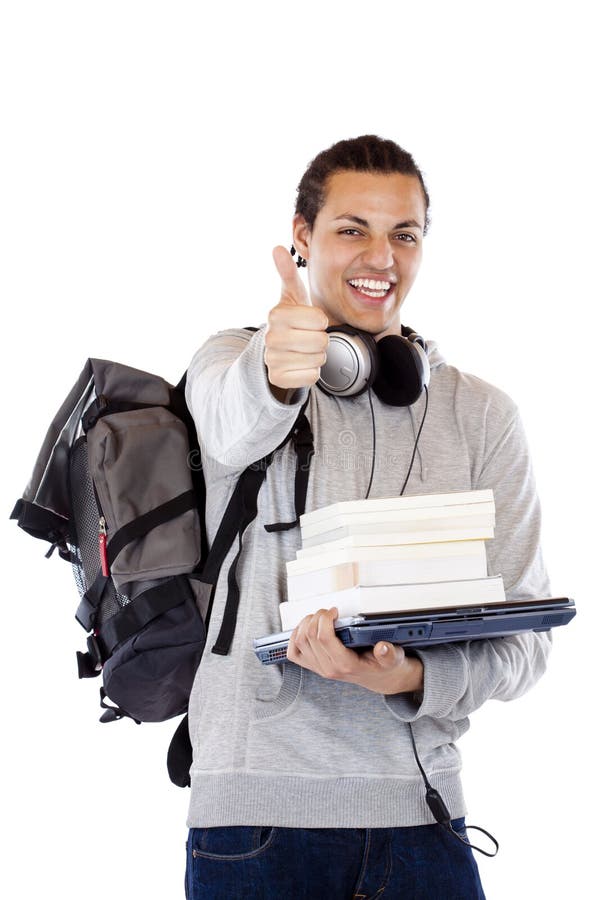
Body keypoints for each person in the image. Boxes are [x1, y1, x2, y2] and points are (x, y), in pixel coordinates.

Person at [183, 135, 551, 899]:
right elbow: (231, 424)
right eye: (352, 230)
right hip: (254, 831)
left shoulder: (481, 414)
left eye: (403, 234)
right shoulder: (232, 364)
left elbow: (524, 644)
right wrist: (276, 375)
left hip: (424, 823)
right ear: (302, 237)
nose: (380, 257)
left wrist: (407, 674)